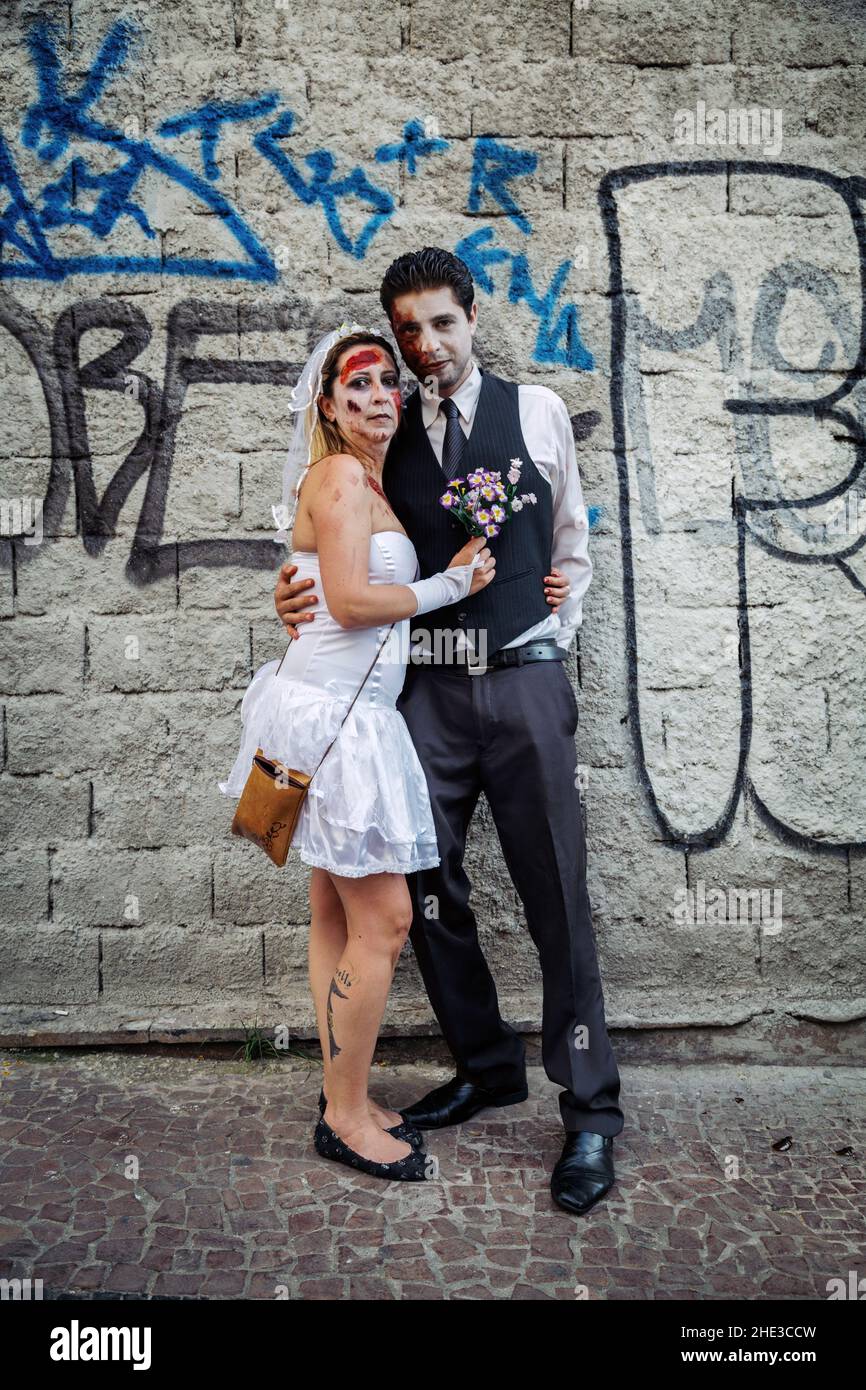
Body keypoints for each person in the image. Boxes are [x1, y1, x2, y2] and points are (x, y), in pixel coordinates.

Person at [275, 250, 625, 1216]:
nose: (424, 348)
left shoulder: (539, 412)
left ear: (472, 318)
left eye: (441, 325)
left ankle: (591, 1114)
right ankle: (485, 1064)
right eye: (407, 333)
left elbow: (571, 538)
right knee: (419, 892)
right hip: (421, 701)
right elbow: (343, 553)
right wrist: (293, 591)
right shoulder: (387, 434)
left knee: (555, 889)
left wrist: (560, 614)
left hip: (522, 684)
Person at [219, 324, 497, 1183]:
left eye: (388, 386)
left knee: (336, 918)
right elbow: (345, 597)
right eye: (359, 387)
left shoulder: (358, 479)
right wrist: (452, 582)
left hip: (339, 715)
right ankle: (344, 1116)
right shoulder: (340, 475)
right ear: (330, 406)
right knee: (387, 920)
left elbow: (322, 584)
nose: (380, 398)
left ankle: (346, 1090)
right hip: (335, 722)